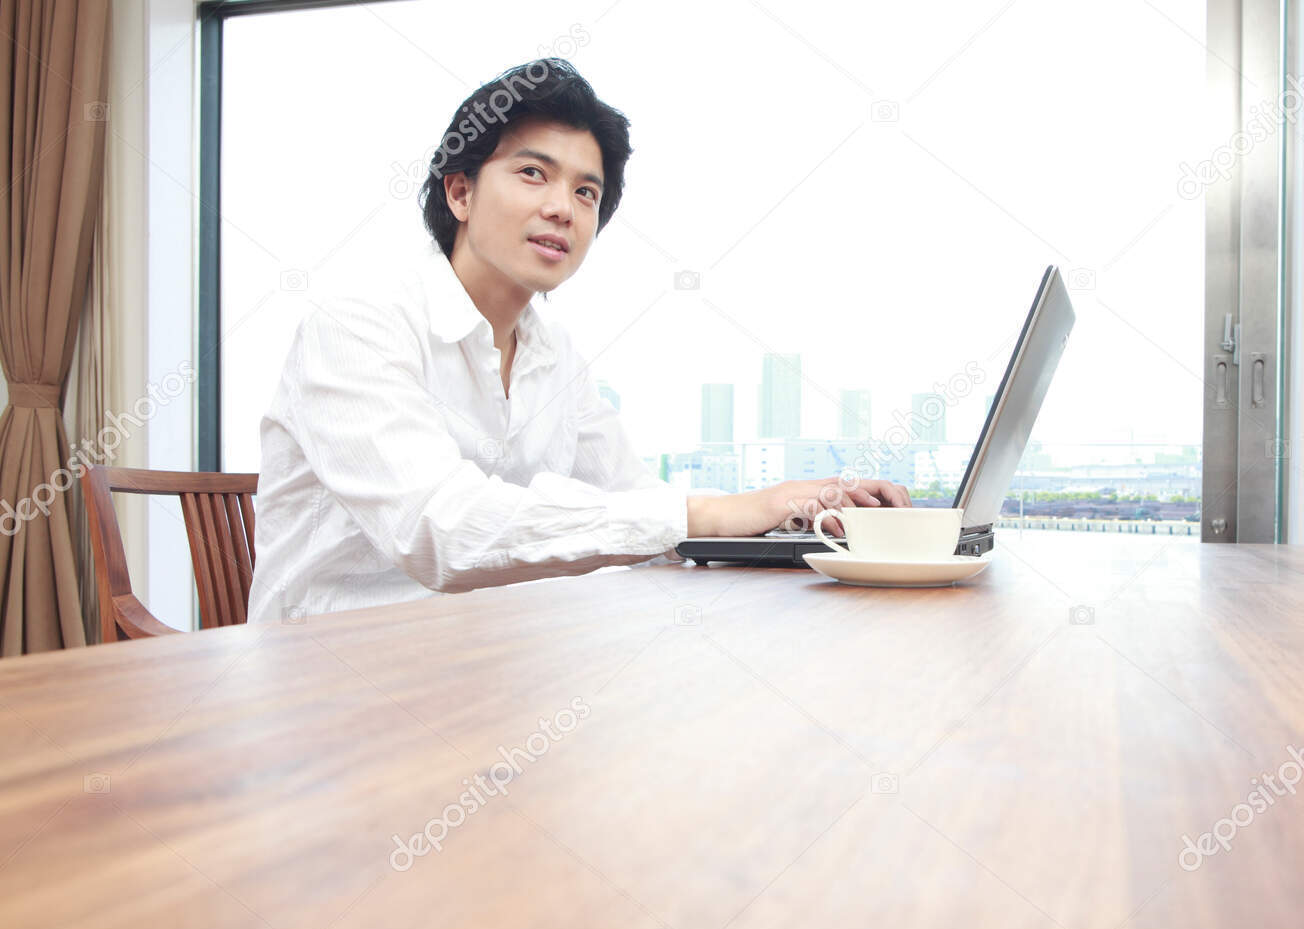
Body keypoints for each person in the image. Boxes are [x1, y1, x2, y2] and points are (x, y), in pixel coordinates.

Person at [246, 58, 908, 622]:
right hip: (327, 689)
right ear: (460, 193)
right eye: (534, 174)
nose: (564, 207)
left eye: (586, 191)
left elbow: (637, 503)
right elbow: (441, 532)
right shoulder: (357, 326)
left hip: (487, 670)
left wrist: (792, 511)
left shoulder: (552, 352)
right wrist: (710, 512)